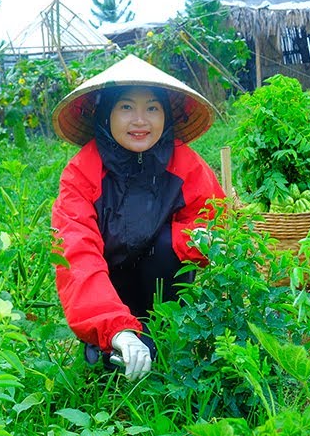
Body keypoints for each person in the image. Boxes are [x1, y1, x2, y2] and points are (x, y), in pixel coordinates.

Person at [50, 54, 223, 380]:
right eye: (126, 107)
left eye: (152, 108)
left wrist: (192, 240)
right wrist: (114, 327)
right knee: (108, 368)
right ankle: (112, 338)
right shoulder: (81, 174)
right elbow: (76, 254)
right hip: (109, 286)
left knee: (167, 243)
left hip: (162, 284)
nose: (141, 120)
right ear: (106, 113)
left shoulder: (184, 163)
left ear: (166, 113)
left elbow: (213, 219)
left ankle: (165, 332)